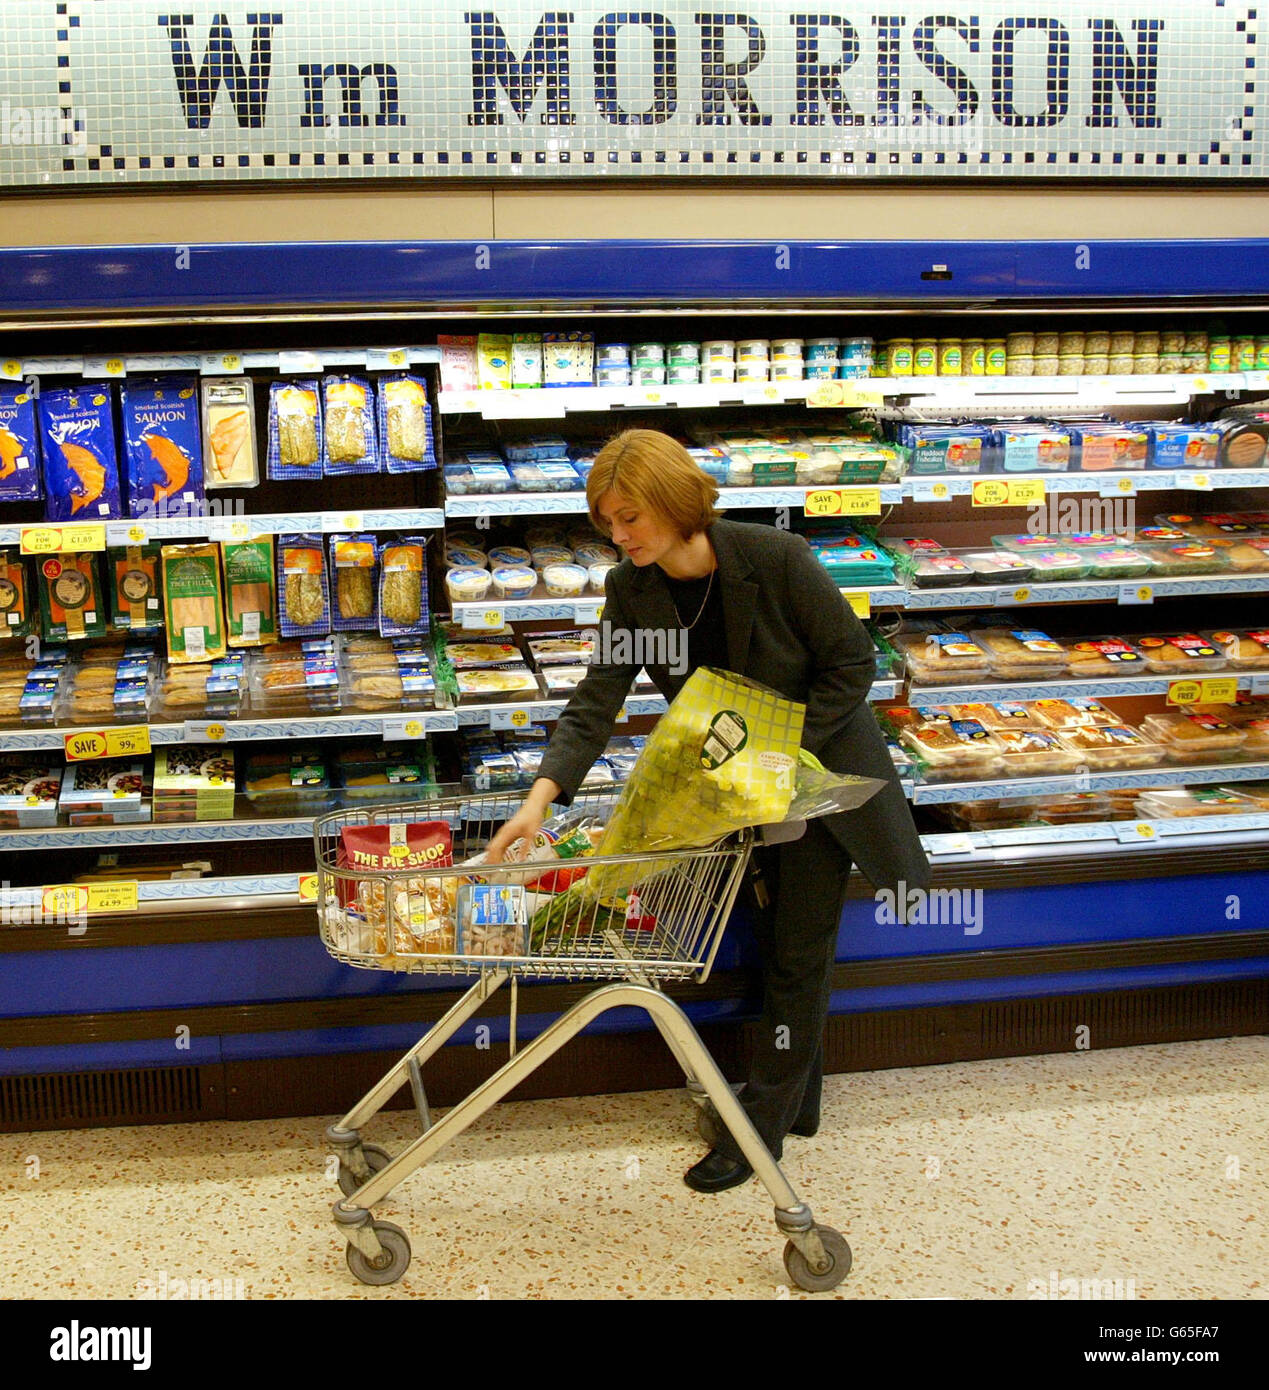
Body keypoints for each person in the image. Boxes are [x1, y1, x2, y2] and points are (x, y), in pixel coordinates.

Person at [485, 428, 930, 1192]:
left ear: (674, 502)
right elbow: (598, 698)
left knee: (797, 949)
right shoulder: (634, 588)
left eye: (629, 518)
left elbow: (852, 664)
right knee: (775, 943)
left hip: (820, 784)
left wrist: (776, 751)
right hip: (730, 791)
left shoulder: (773, 558)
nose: (617, 537)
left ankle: (756, 1132)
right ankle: (797, 1101)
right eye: (606, 522)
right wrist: (537, 801)